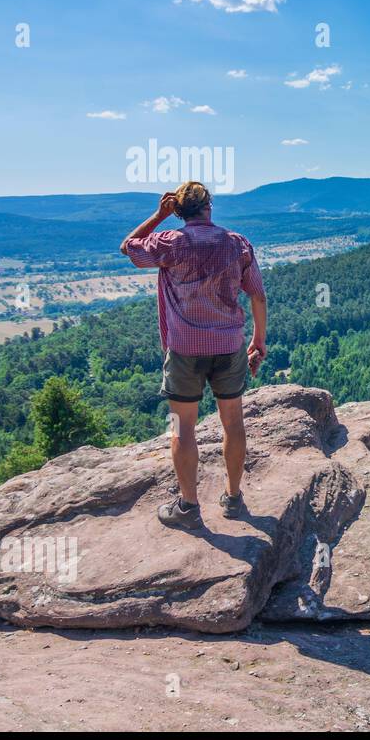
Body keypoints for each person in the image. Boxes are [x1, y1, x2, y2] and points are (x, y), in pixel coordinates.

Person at [120, 181, 267, 530]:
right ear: (209, 207)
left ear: (179, 211)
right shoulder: (236, 244)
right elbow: (257, 296)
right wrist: (258, 340)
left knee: (181, 426)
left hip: (184, 348)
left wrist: (158, 216)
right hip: (229, 346)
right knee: (233, 422)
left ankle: (188, 506)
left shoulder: (169, 243)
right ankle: (233, 498)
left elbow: (128, 247)